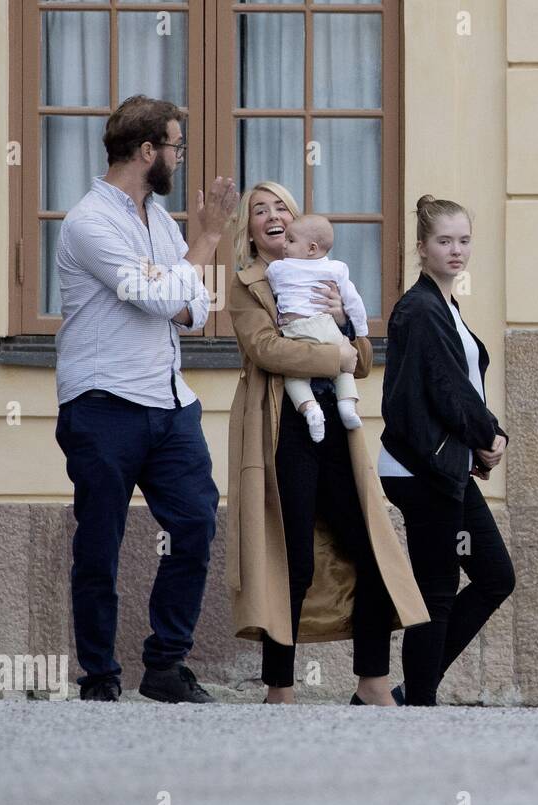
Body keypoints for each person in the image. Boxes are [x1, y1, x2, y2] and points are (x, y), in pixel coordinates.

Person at [54, 95, 237, 703]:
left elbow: (195, 305)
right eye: (176, 146)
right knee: (100, 543)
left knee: (195, 523)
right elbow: (159, 297)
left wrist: (181, 277)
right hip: (102, 402)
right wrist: (206, 240)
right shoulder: (88, 221)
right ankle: (100, 678)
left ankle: (164, 665)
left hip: (168, 399)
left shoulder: (158, 220)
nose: (181, 158)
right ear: (147, 151)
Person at [226, 181, 429, 706]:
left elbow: (362, 357)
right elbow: (266, 349)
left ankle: (372, 681)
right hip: (281, 429)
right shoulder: (246, 284)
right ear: (250, 229)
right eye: (259, 210)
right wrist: (334, 357)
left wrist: (343, 324)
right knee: (289, 556)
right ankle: (280, 686)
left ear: (300, 228)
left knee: (369, 548)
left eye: (281, 208)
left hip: (339, 428)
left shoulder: (330, 276)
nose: (272, 216)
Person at [379, 194, 515, 707]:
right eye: (444, 241)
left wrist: (484, 438)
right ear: (422, 247)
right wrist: (489, 437)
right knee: (437, 589)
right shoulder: (419, 309)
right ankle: (418, 702)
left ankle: (411, 691)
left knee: (494, 577)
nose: (456, 250)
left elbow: (460, 390)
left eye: (463, 240)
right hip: (422, 468)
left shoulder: (445, 305)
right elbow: (445, 390)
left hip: (443, 464)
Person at [265, 214, 369, 442]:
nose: (284, 244)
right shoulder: (336, 269)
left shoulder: (276, 269)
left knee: (294, 376)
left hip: (296, 331)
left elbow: (274, 289)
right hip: (326, 327)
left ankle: (311, 409)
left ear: (311, 248)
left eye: (290, 240)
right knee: (343, 369)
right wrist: (358, 328)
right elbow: (354, 301)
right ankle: (348, 405)